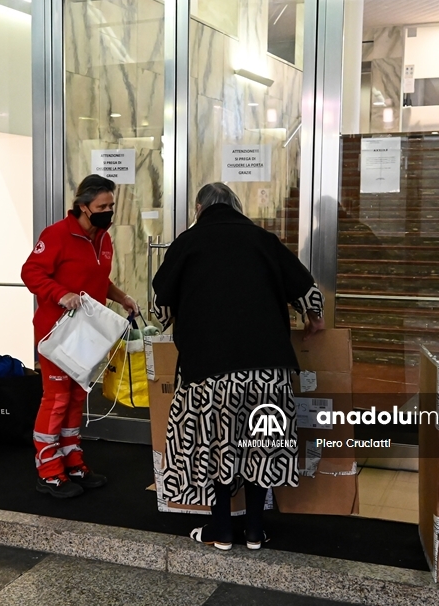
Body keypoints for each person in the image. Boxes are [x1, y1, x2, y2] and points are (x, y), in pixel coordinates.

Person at [152, 182, 325, 550]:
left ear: (199, 207)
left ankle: (221, 529)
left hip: (209, 370)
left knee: (218, 446)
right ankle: (254, 530)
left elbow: (160, 309)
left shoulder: (187, 242)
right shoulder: (263, 239)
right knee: (260, 443)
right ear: (236, 206)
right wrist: (315, 319)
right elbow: (308, 290)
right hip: (266, 367)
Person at [21, 174, 140, 498]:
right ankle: (48, 471)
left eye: (111, 205)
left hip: (84, 333)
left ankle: (72, 461)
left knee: (76, 398)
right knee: (56, 399)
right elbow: (30, 272)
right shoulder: (57, 235)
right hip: (56, 332)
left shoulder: (104, 238)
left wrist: (121, 296)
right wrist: (60, 294)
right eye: (102, 206)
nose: (108, 211)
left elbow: (99, 278)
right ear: (83, 206)